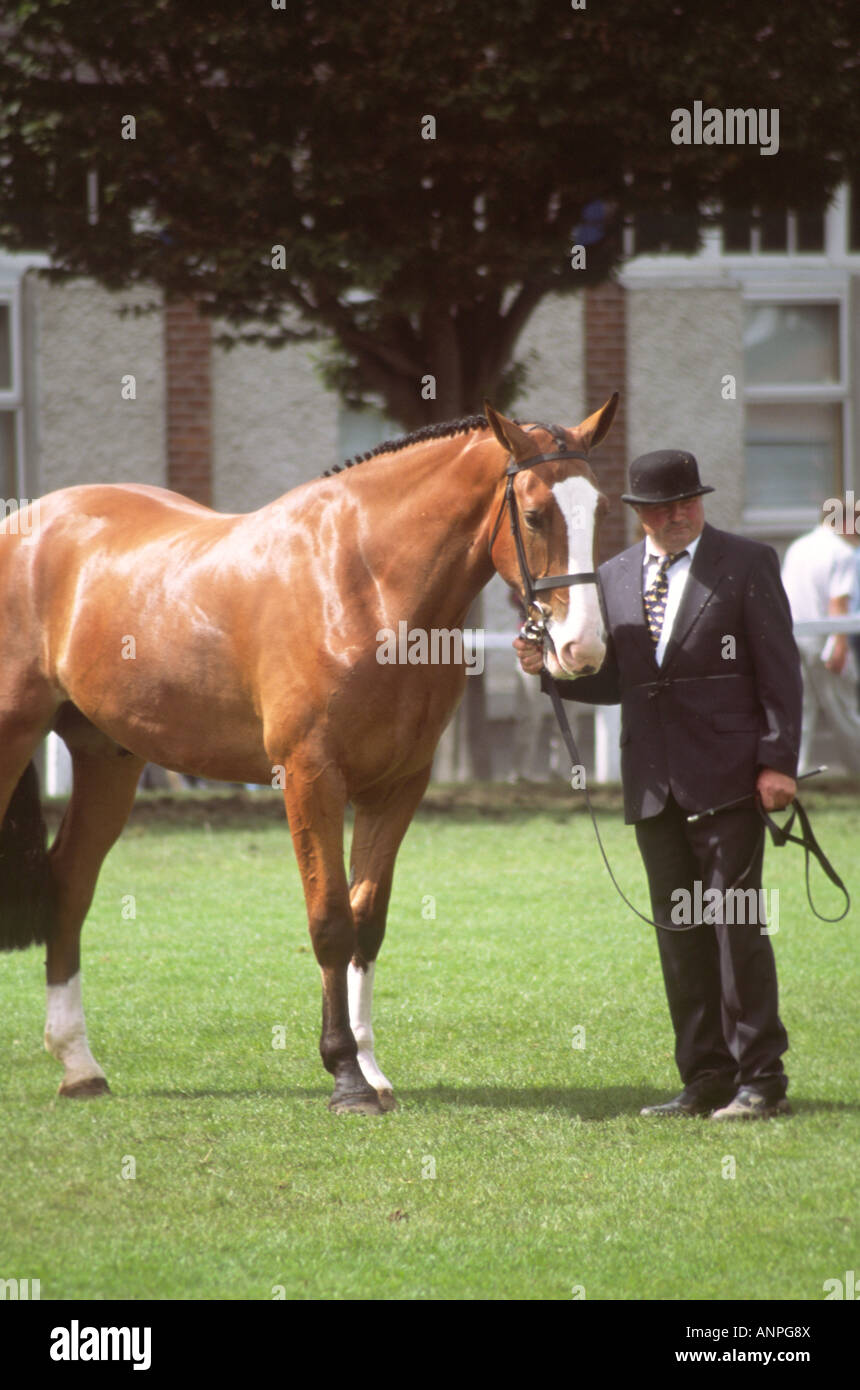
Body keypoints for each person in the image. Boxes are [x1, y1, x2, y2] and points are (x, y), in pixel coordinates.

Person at [515, 450, 801, 1120]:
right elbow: (623, 683)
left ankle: (761, 1079)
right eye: (663, 507)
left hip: (731, 780)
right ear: (640, 513)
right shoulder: (613, 577)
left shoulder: (748, 562)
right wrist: (547, 671)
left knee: (736, 929)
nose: (678, 516)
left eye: (688, 502)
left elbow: (780, 673)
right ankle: (705, 1076)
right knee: (680, 932)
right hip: (653, 785)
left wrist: (778, 761)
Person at [780, 510, 860, 774]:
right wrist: (840, 645)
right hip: (826, 641)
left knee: (800, 711)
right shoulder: (842, 552)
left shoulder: (798, 546)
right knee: (844, 709)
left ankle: (794, 772)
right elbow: (838, 602)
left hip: (793, 638)